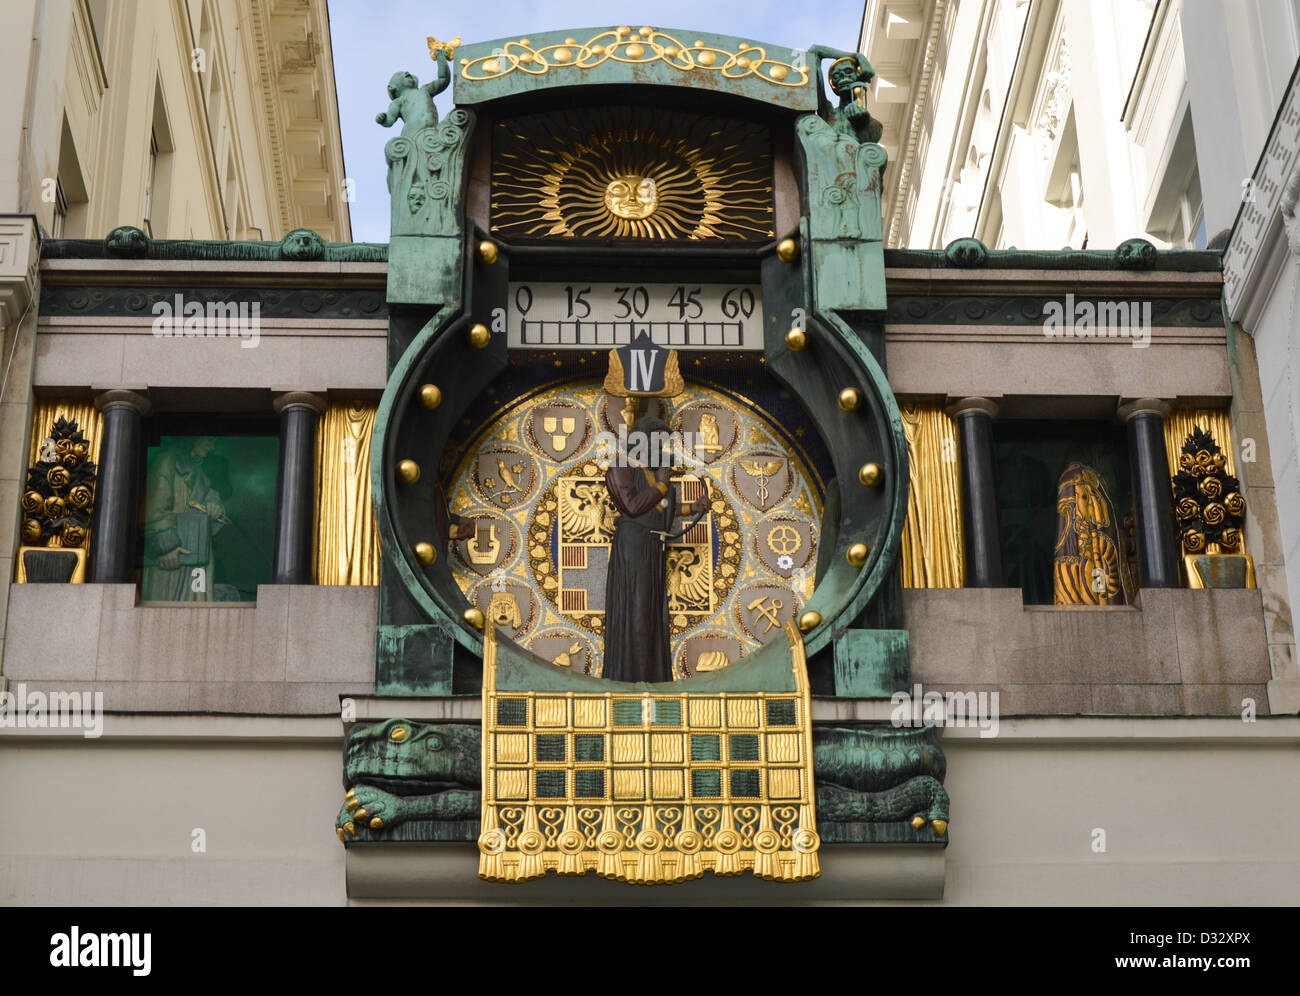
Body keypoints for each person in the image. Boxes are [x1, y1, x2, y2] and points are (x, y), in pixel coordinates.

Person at [602, 416, 707, 683]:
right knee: (636, 611)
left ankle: (652, 675)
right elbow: (633, 506)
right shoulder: (620, 467)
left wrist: (692, 508)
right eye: (657, 441)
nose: (662, 447)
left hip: (652, 548)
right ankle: (628, 676)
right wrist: (662, 485)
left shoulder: (652, 471)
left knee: (650, 613)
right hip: (634, 547)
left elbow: (659, 511)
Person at [142, 437, 226, 601]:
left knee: (197, 603)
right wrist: (167, 547)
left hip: (195, 554)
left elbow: (209, 494)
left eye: (215, 441)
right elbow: (156, 505)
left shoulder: (197, 470)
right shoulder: (167, 459)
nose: (212, 446)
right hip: (172, 555)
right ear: (194, 436)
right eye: (209, 438)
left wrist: (214, 503)